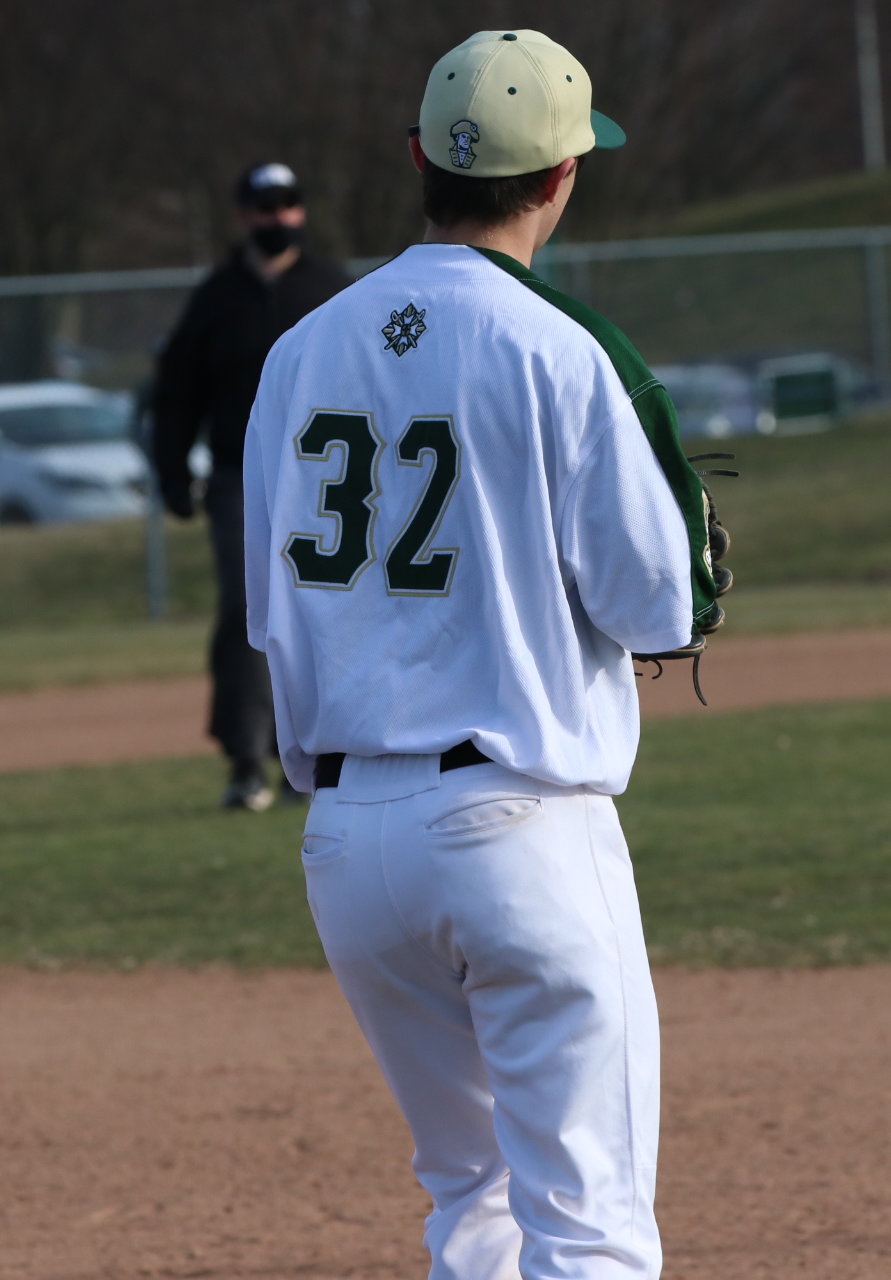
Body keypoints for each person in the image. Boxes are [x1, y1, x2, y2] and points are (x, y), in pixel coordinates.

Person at [243, 30, 727, 1280]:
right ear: (563, 176)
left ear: (420, 159)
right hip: (519, 823)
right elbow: (661, 605)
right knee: (591, 1225)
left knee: (474, 1199)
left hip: (348, 841)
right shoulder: (563, 346)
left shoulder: (299, 352)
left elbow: (270, 607)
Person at [150, 162, 352, 811]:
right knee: (250, 608)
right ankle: (247, 761)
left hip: (326, 479)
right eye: (265, 207)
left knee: (324, 609)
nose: (278, 218)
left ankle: (315, 753)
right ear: (242, 216)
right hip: (240, 478)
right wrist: (171, 469)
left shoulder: (331, 288)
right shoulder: (216, 297)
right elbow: (177, 391)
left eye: (288, 204)